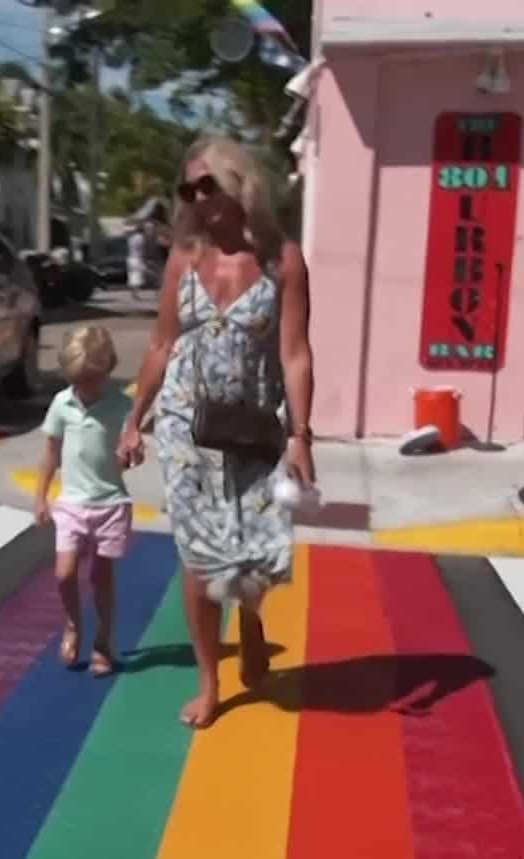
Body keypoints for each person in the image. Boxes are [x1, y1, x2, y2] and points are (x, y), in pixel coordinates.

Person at [118, 133, 317, 729]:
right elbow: (161, 343)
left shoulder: (283, 260)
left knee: (255, 550)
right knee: (198, 558)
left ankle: (251, 620)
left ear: (238, 184)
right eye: (189, 189)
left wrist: (302, 434)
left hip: (255, 427)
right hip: (187, 426)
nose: (199, 199)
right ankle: (210, 682)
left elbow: (296, 353)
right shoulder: (184, 259)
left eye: (209, 184)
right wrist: (136, 418)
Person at [35, 325, 137, 677]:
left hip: (111, 503)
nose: (84, 389)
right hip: (72, 504)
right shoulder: (62, 404)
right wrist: (41, 496)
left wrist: (130, 454)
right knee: (64, 574)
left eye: (91, 380)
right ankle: (73, 624)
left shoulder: (123, 406)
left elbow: (130, 450)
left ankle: (104, 640)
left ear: (107, 371)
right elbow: (50, 453)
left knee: (101, 577)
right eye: (78, 381)